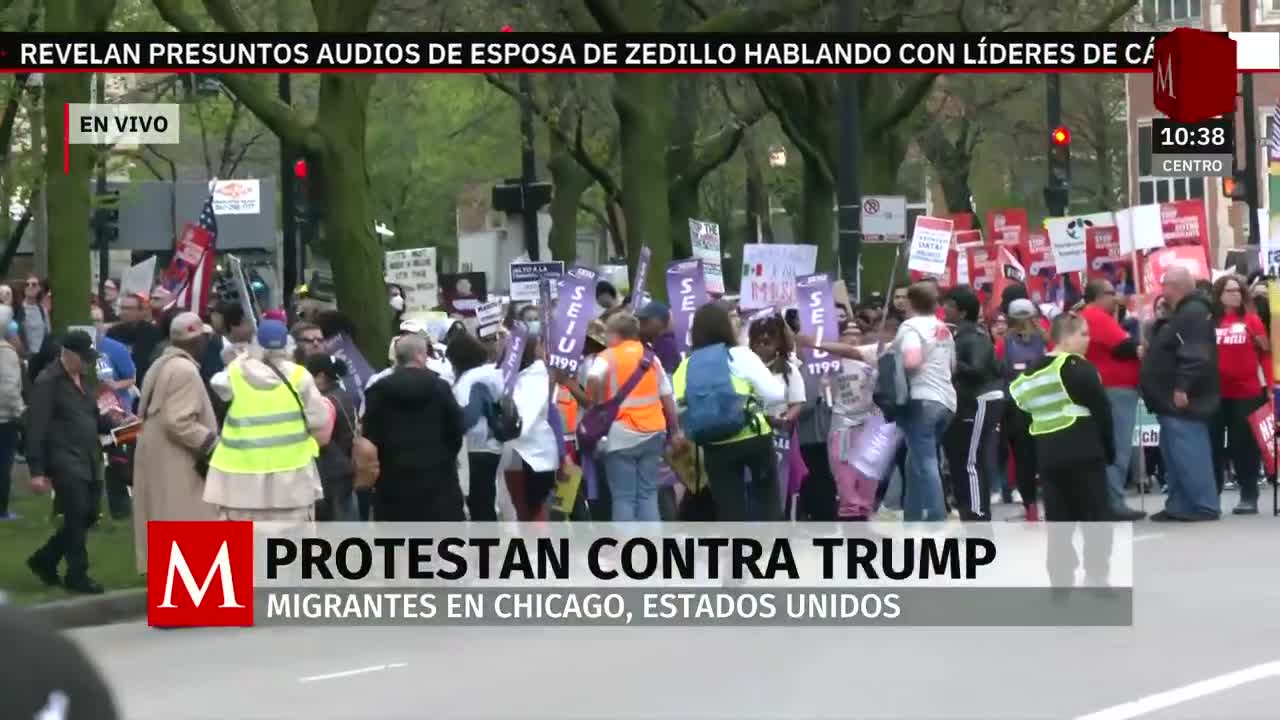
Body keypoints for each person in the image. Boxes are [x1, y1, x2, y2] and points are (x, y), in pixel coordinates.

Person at [1008, 313, 1114, 586]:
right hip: (1085, 452)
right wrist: (1109, 450)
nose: (1088, 340)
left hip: (1048, 458)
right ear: (1066, 337)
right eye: (1084, 334)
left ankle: (1060, 581)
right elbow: (1103, 411)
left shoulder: (1028, 376)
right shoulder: (1078, 367)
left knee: (1059, 524)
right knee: (1096, 519)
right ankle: (1097, 576)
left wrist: (1026, 476)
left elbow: (1020, 430)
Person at [203, 320, 331, 522]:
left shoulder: (234, 373)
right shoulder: (300, 376)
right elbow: (319, 420)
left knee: (245, 549)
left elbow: (217, 384)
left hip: (239, 480)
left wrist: (243, 357)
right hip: (291, 478)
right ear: (288, 345)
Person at [26, 331, 123, 594]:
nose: (89, 363)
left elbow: (91, 416)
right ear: (68, 355)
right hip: (64, 458)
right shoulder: (49, 382)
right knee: (77, 512)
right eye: (84, 358)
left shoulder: (80, 380)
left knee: (89, 513)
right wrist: (37, 470)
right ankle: (77, 575)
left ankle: (45, 559)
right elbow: (36, 426)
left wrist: (117, 424)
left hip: (88, 458)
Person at [671, 303, 785, 521]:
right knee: (767, 497)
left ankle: (737, 551)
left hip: (714, 442)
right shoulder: (740, 355)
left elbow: (680, 407)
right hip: (753, 435)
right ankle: (773, 547)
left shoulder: (685, 366)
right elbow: (775, 395)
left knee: (729, 506)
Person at [131, 313, 220, 572]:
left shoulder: (162, 364)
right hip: (179, 462)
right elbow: (178, 421)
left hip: (159, 457)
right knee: (189, 526)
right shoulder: (185, 370)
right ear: (196, 340)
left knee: (166, 522)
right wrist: (212, 444)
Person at [1139, 266, 1221, 522]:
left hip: (1182, 400)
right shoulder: (1185, 313)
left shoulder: (1193, 313)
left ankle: (1203, 505)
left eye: (1164, 285)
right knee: (1175, 455)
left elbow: (1195, 354)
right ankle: (1179, 504)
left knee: (1188, 452)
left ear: (1174, 287)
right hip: (1169, 400)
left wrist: (1182, 387)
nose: (1162, 290)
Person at [586, 313, 684, 522]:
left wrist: (598, 403)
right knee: (648, 494)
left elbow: (592, 380)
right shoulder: (651, 357)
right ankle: (652, 549)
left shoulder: (607, 357)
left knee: (623, 497)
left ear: (615, 334)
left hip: (621, 435)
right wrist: (675, 431)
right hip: (654, 432)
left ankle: (629, 550)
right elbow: (667, 399)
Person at [362, 334, 464, 521]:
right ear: (419, 355)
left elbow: (369, 434)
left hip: (392, 480)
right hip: (439, 479)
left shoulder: (378, 390)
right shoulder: (440, 387)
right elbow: (456, 428)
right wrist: (447, 455)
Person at [1080, 279, 1146, 521]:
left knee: (1112, 448)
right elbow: (1124, 347)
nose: (1116, 297)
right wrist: (1142, 345)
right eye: (1111, 293)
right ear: (1097, 297)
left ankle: (1108, 500)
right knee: (1117, 448)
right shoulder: (1095, 316)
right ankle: (1112, 501)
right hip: (1115, 390)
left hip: (1112, 389)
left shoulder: (1093, 317)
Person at [895, 282, 956, 522]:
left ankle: (935, 519)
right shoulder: (944, 329)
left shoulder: (910, 327)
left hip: (922, 400)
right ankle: (911, 517)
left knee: (927, 462)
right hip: (947, 401)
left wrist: (897, 368)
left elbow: (911, 361)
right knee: (915, 461)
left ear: (911, 302)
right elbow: (951, 365)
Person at [941, 286, 1003, 521]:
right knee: (961, 459)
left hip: (980, 400)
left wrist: (949, 361)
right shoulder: (959, 336)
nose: (944, 309)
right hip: (969, 403)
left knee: (970, 461)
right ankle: (969, 510)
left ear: (963, 312)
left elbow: (977, 370)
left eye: (950, 305)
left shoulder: (973, 337)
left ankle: (978, 514)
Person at [1209, 273, 1268, 514]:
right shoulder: (1210, 321)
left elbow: (1265, 353)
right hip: (1215, 393)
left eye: (1238, 291)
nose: (1235, 295)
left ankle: (1248, 494)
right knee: (1213, 444)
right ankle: (1212, 494)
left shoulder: (1252, 321)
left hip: (1247, 392)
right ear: (1219, 295)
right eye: (1229, 291)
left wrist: (1271, 388)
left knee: (1244, 445)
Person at [503, 333, 562, 521]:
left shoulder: (534, 374)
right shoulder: (531, 375)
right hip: (527, 453)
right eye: (540, 345)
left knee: (532, 508)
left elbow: (524, 418)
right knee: (529, 507)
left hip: (530, 453)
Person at [1000, 299, 1048, 519]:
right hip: (1044, 404)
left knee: (1023, 458)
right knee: (1045, 455)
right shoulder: (1045, 340)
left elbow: (998, 371)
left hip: (1016, 406)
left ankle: (1030, 506)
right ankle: (1050, 500)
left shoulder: (1004, 342)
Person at [449, 332, 505, 521]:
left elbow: (469, 417)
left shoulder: (469, 380)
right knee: (486, 501)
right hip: (495, 445)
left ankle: (487, 547)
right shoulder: (493, 373)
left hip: (476, 447)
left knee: (479, 503)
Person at [91, 304, 138, 519]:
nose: (95, 324)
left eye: (98, 320)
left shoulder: (115, 348)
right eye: (91, 320)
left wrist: (113, 387)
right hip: (90, 415)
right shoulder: (77, 350)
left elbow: (131, 378)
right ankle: (91, 510)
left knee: (119, 461)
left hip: (120, 414)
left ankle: (121, 509)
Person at [305, 353, 359, 521]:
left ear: (320, 377)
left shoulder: (326, 402)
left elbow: (321, 438)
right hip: (345, 466)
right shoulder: (340, 394)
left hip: (331, 473)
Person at [107, 292, 164, 390]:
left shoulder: (153, 333)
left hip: (144, 386)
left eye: (129, 308)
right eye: (122, 308)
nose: (125, 312)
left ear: (140, 311)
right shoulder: (112, 333)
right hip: (119, 386)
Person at [0, 306, 21, 520]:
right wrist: (19, 410)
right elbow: (8, 387)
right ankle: (2, 510)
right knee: (3, 463)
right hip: (4, 417)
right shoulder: (6, 352)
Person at [636, 301, 681, 375]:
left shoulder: (667, 345)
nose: (640, 324)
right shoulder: (652, 342)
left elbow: (668, 378)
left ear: (660, 322)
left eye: (645, 321)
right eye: (640, 320)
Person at [14, 274, 48, 357]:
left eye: (34, 284)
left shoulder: (42, 310)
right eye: (27, 284)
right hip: (25, 356)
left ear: (39, 288)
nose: (30, 286)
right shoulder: (17, 310)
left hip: (41, 356)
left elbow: (47, 333)